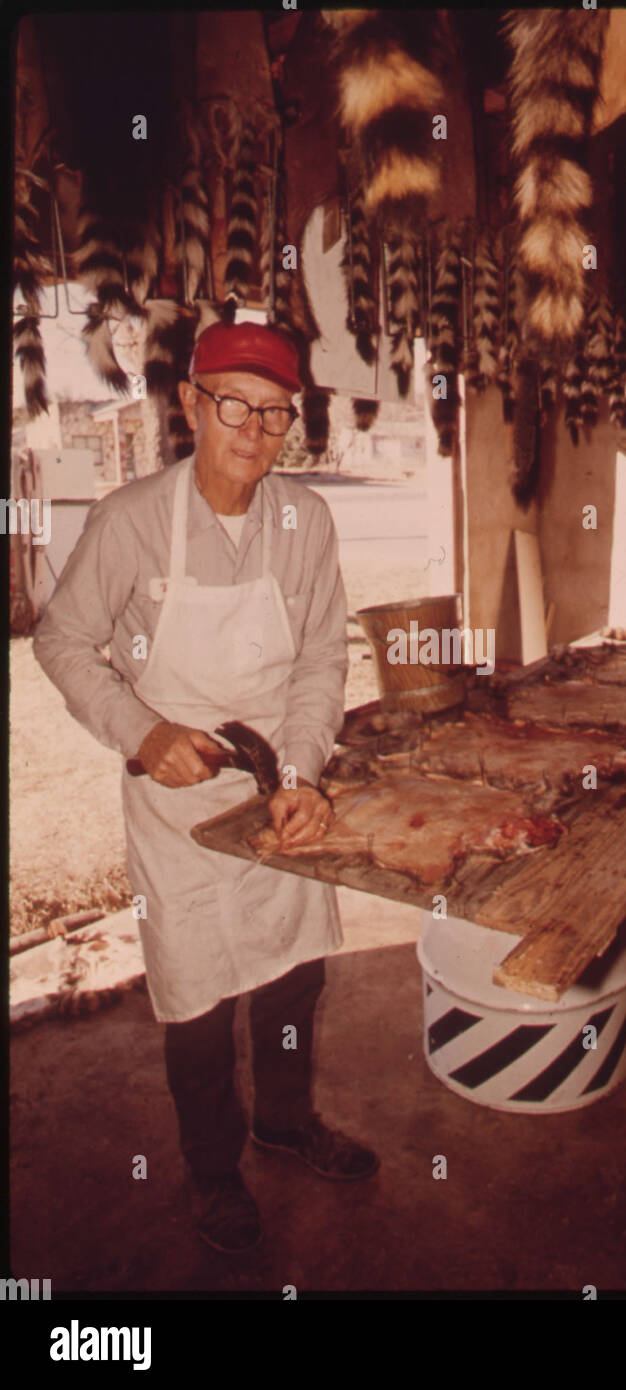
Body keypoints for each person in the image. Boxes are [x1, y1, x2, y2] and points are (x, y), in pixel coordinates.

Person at [34, 321, 378, 1254]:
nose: (255, 430)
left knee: (293, 977)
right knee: (195, 1005)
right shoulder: (131, 520)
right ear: (191, 404)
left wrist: (302, 773)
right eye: (234, 403)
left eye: (276, 412)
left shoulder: (306, 522)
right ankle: (214, 1169)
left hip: (280, 791)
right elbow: (61, 642)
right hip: (176, 806)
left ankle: (285, 1119)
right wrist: (142, 734)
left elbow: (318, 662)